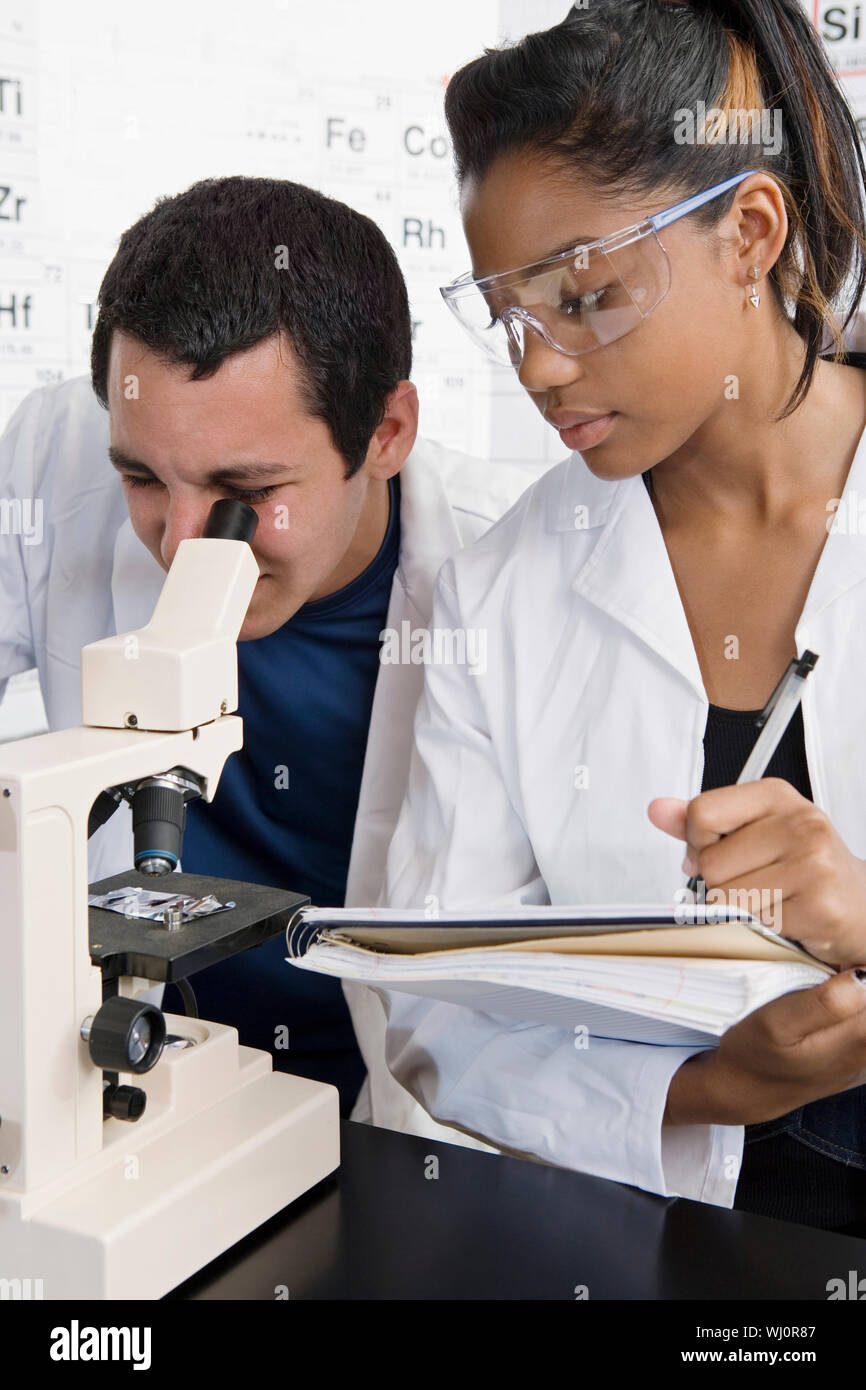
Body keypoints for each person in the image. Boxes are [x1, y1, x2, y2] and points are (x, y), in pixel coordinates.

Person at [371, 0, 866, 1233]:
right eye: (507, 313)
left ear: (748, 231)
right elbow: (443, 1015)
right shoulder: (498, 594)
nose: (535, 365)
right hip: (676, 1249)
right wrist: (710, 1088)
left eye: (583, 298)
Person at [0, 175, 542, 1123]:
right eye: (140, 478)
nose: (181, 545)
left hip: (390, 1111)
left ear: (386, 432)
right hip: (123, 1080)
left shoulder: (510, 578)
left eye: (243, 491)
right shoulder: (50, 457)